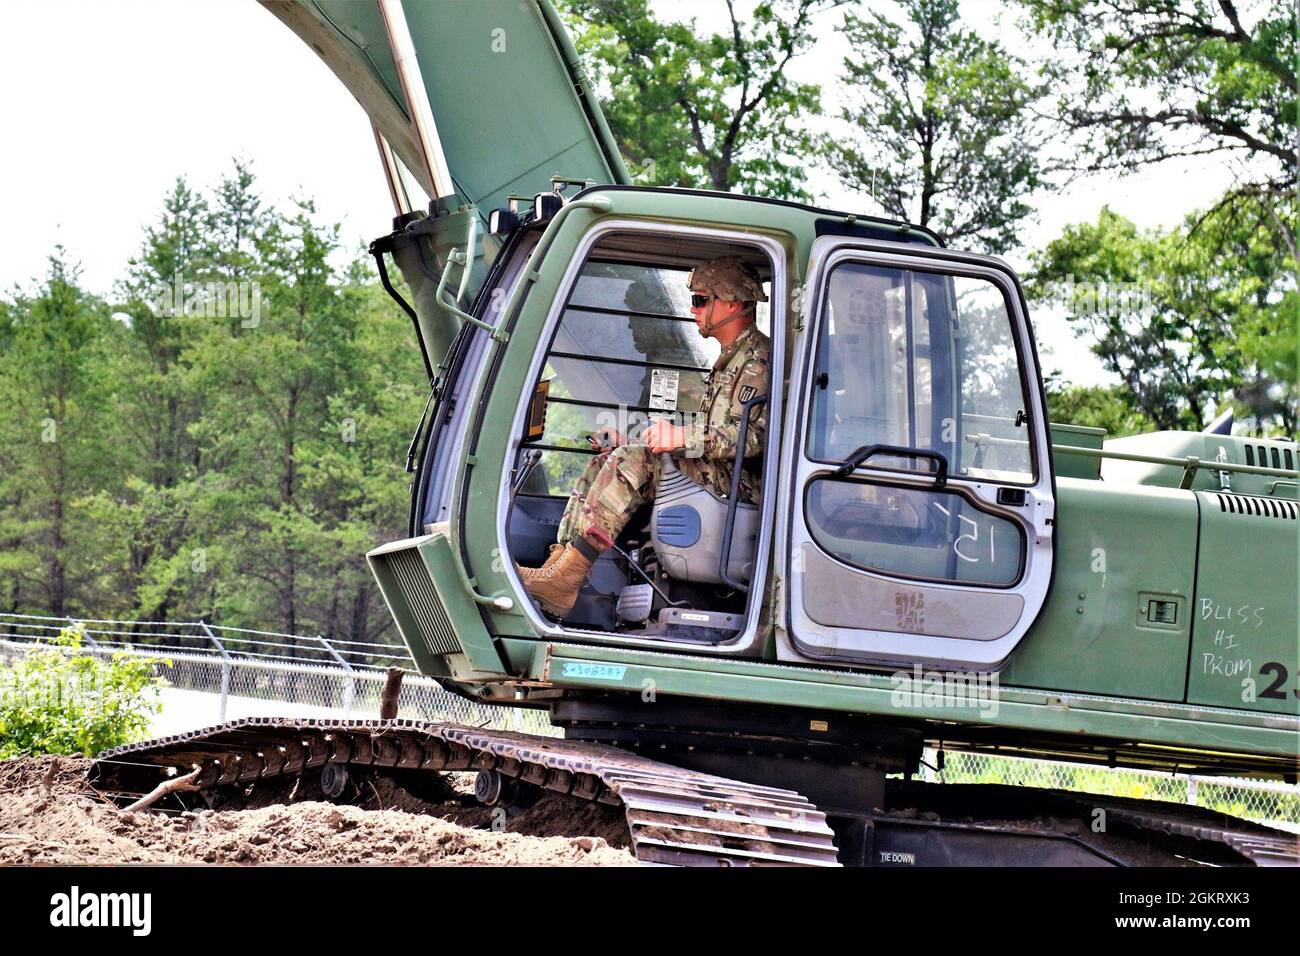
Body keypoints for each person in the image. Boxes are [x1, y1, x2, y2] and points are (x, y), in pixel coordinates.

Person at [518, 255, 772, 619]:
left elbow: (751, 440)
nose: (692, 309)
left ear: (732, 303)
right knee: (610, 457)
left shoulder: (756, 361)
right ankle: (559, 568)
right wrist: (635, 438)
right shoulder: (731, 360)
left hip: (739, 486)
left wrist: (679, 437)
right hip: (718, 475)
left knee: (635, 459)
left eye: (701, 300)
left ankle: (565, 578)